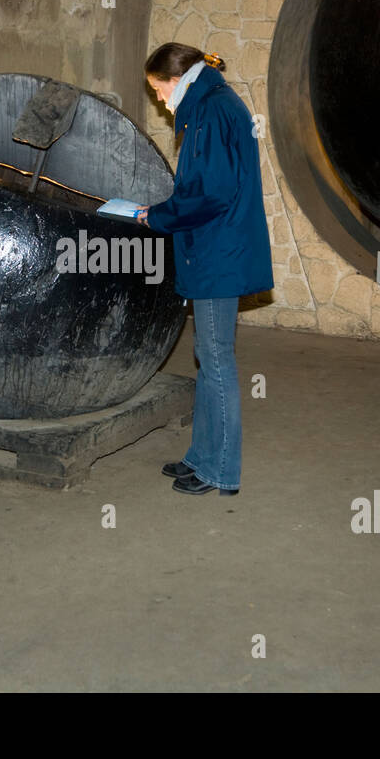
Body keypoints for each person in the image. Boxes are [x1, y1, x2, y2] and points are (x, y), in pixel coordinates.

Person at [137, 42, 274, 495]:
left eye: (158, 90)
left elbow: (210, 194)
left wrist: (157, 216)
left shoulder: (212, 111)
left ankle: (220, 471)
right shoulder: (209, 105)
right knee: (208, 357)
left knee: (216, 361)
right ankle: (201, 456)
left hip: (219, 253)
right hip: (217, 249)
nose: (159, 100)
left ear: (177, 80)